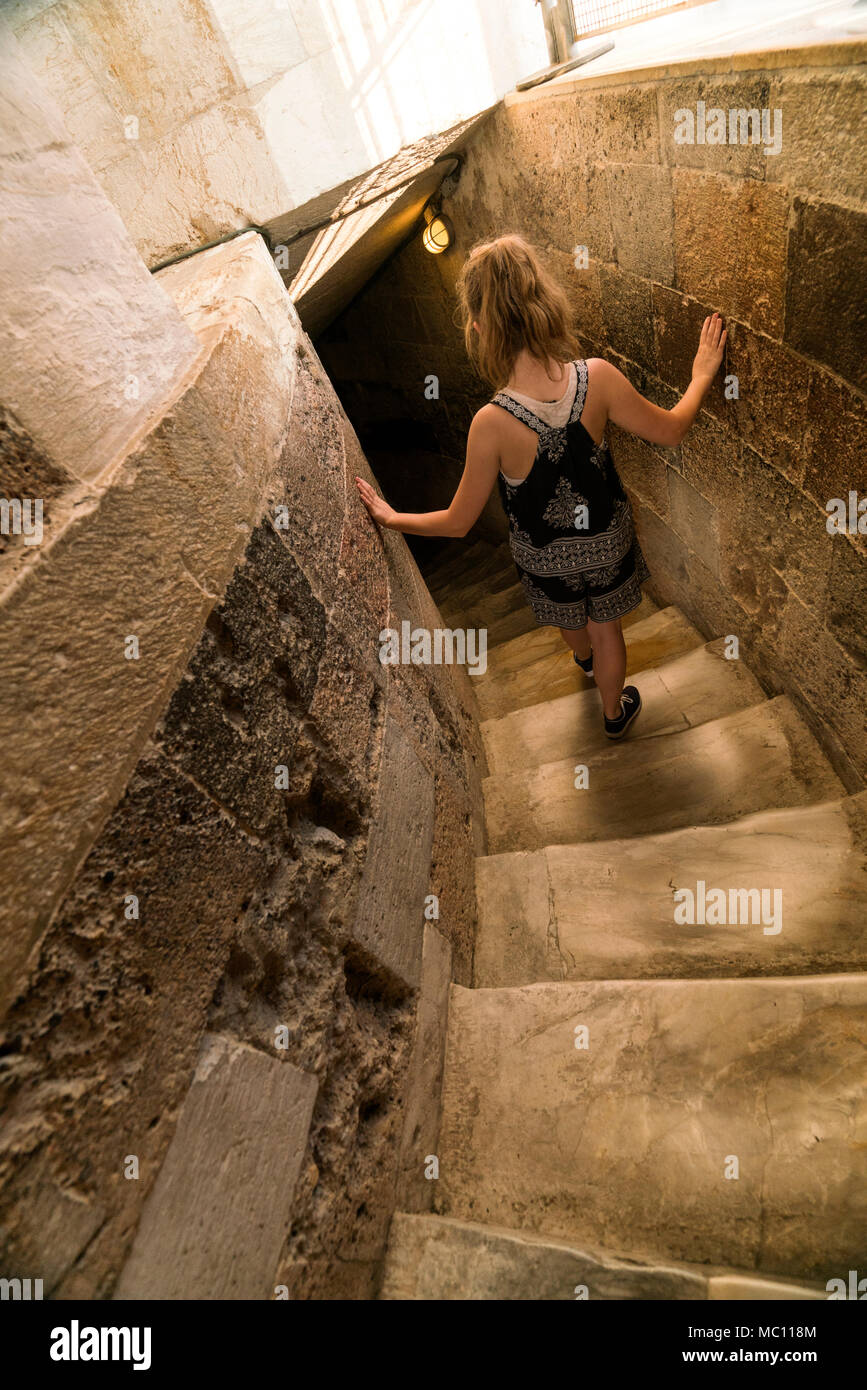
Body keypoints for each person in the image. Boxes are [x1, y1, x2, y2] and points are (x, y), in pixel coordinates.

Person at [355, 233, 726, 739]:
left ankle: (583, 661)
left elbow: (458, 520)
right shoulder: (598, 378)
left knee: (574, 621)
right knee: (608, 629)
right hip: (606, 543)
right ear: (542, 302)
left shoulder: (490, 423)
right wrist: (702, 373)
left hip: (545, 557)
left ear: (481, 327)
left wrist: (391, 516)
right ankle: (614, 714)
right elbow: (672, 429)